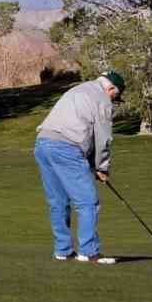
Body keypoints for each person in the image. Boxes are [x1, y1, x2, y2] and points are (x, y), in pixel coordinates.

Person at [34, 71, 125, 264]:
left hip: (42, 144)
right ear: (110, 89)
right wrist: (102, 168)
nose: (114, 101)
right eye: (115, 96)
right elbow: (103, 138)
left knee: (58, 201)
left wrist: (93, 164)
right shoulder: (102, 99)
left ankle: (63, 251)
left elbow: (86, 132)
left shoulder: (79, 88)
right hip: (66, 148)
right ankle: (89, 252)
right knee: (88, 202)